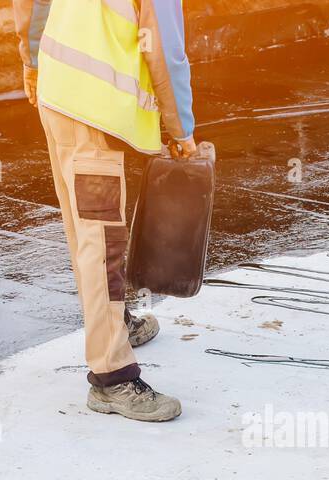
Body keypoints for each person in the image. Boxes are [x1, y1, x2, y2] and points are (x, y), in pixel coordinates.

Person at [13, 0, 198, 421]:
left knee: (84, 230)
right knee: (101, 239)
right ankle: (112, 377)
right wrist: (180, 128)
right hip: (91, 109)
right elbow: (164, 49)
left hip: (59, 92)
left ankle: (115, 323)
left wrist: (32, 61)